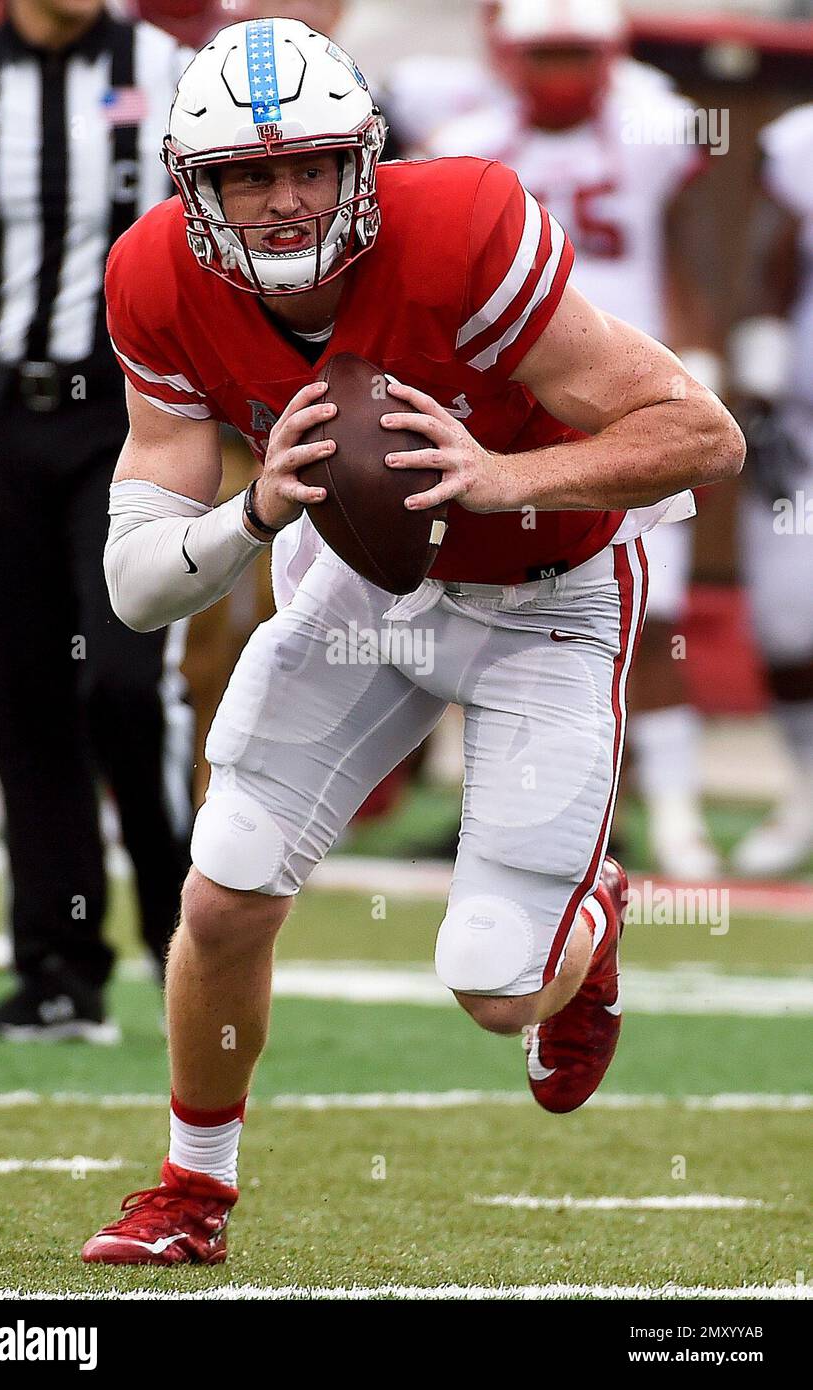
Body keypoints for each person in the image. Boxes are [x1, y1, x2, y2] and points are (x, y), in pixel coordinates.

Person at [80, 18, 743, 1264]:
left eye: (312, 168)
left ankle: (582, 936)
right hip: (352, 586)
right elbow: (133, 588)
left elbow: (703, 436)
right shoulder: (156, 276)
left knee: (495, 990)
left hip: (553, 592)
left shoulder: (463, 231)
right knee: (222, 890)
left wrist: (496, 477)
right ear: (193, 184)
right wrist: (256, 508)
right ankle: (191, 1191)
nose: (284, 203)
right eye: (247, 175)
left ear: (365, 162)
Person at [427, 0, 725, 879]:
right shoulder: (466, 132)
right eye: (542, 52)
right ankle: (497, 811)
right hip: (510, 402)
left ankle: (673, 816)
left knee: (653, 610)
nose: (558, 71)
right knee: (485, 606)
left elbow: (683, 247)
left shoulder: (655, 122)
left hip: (632, 398)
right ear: (507, 54)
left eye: (573, 53)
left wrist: (703, 365)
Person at [0, 0, 194, 1039]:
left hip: (125, 418)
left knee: (127, 682)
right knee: (27, 694)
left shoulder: (172, 70)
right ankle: (58, 969)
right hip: (1, 421)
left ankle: (190, 936)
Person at [729, 103, 813, 875]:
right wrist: (755, 396)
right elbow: (771, 272)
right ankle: (806, 790)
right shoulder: (799, 145)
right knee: (790, 628)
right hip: (805, 433)